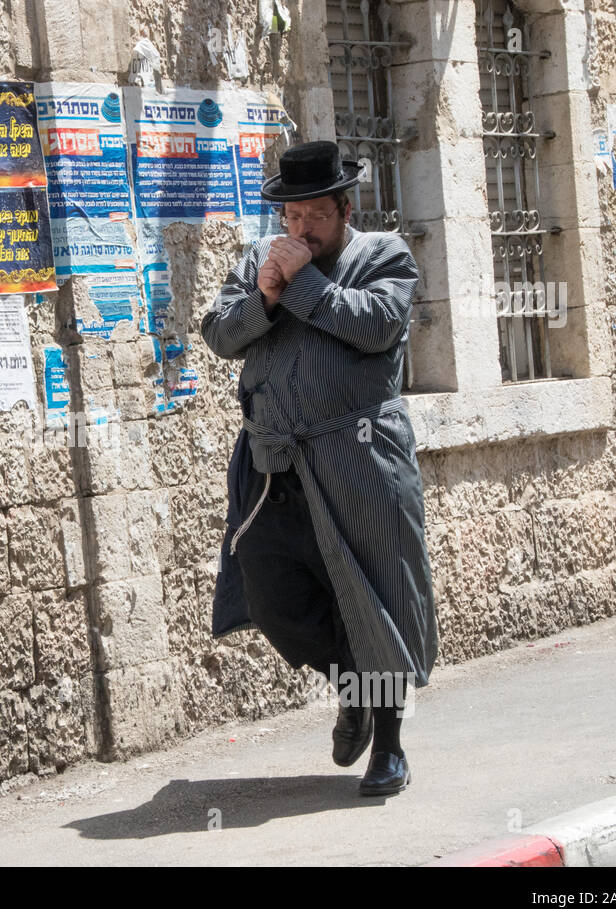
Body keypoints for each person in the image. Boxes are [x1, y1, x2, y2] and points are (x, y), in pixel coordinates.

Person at [200, 140, 439, 797]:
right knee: (276, 599)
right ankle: (352, 690)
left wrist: (299, 283)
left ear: (344, 208)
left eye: (315, 218)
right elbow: (220, 334)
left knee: (373, 600)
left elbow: (374, 326)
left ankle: (388, 746)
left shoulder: (382, 257)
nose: (300, 232)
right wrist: (267, 297)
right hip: (275, 469)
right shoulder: (259, 262)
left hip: (359, 462)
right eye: (291, 220)